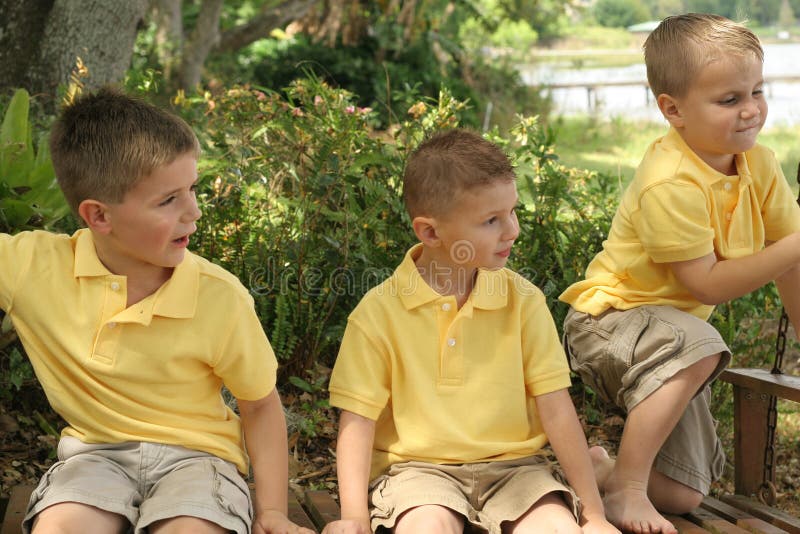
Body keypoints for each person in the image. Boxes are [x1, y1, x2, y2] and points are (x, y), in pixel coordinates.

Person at [0, 87, 313, 534]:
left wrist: (273, 512)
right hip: (94, 457)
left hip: (199, 461)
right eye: (169, 200)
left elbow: (260, 405)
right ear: (99, 217)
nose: (195, 211)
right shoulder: (30, 265)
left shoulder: (219, 296)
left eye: (192, 189)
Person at [559, 13, 800, 534]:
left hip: (674, 341)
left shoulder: (759, 164)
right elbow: (707, 285)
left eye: (757, 90)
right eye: (729, 99)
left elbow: (790, 257)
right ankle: (625, 493)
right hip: (609, 322)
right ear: (673, 110)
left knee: (684, 493)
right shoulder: (669, 182)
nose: (751, 109)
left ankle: (604, 470)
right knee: (704, 343)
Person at [322, 129, 619, 534]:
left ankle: (593, 478)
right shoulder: (377, 314)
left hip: (516, 472)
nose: (511, 230)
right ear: (430, 232)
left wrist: (595, 516)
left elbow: (557, 410)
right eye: (491, 220)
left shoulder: (524, 302)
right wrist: (354, 519)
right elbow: (357, 424)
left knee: (556, 529)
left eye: (513, 212)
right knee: (426, 528)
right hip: (418, 475)